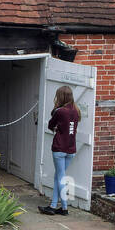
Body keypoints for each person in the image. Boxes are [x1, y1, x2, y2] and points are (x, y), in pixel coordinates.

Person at [40, 85, 81, 216]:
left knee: (60, 178)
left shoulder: (59, 111)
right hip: (71, 149)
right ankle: (53, 205)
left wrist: (57, 127)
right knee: (58, 176)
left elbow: (50, 125)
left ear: (61, 97)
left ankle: (64, 208)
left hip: (59, 148)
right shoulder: (76, 111)